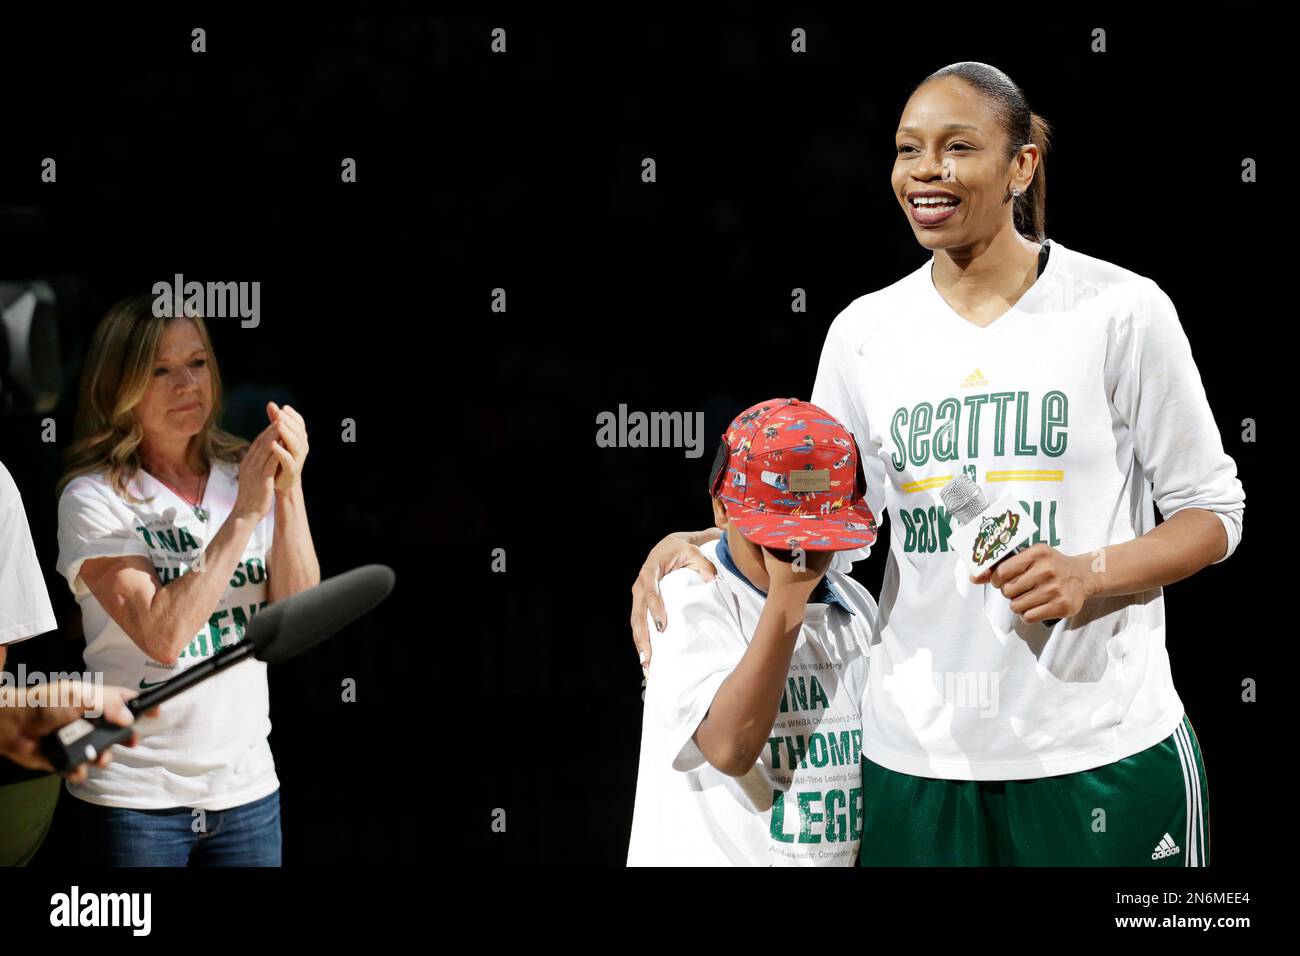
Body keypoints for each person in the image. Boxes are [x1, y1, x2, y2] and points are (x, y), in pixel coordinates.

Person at [630, 62, 1242, 866]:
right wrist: (708, 540)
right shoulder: (863, 332)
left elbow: (1213, 512)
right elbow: (827, 528)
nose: (926, 170)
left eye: (958, 147)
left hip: (1099, 748)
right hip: (916, 760)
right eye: (907, 149)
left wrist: (1091, 571)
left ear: (1020, 165)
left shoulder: (1120, 310)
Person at [54, 292, 320, 866]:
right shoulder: (93, 497)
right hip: (134, 797)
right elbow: (163, 637)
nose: (187, 384)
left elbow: (296, 621)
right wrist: (246, 512)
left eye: (197, 363)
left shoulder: (241, 474)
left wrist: (287, 489)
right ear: (117, 385)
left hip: (246, 787)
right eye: (161, 370)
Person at [627, 398, 880, 866]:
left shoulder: (855, 606)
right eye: (778, 536)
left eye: (818, 535)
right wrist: (789, 596)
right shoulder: (687, 598)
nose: (798, 553)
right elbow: (730, 746)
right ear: (722, 510)